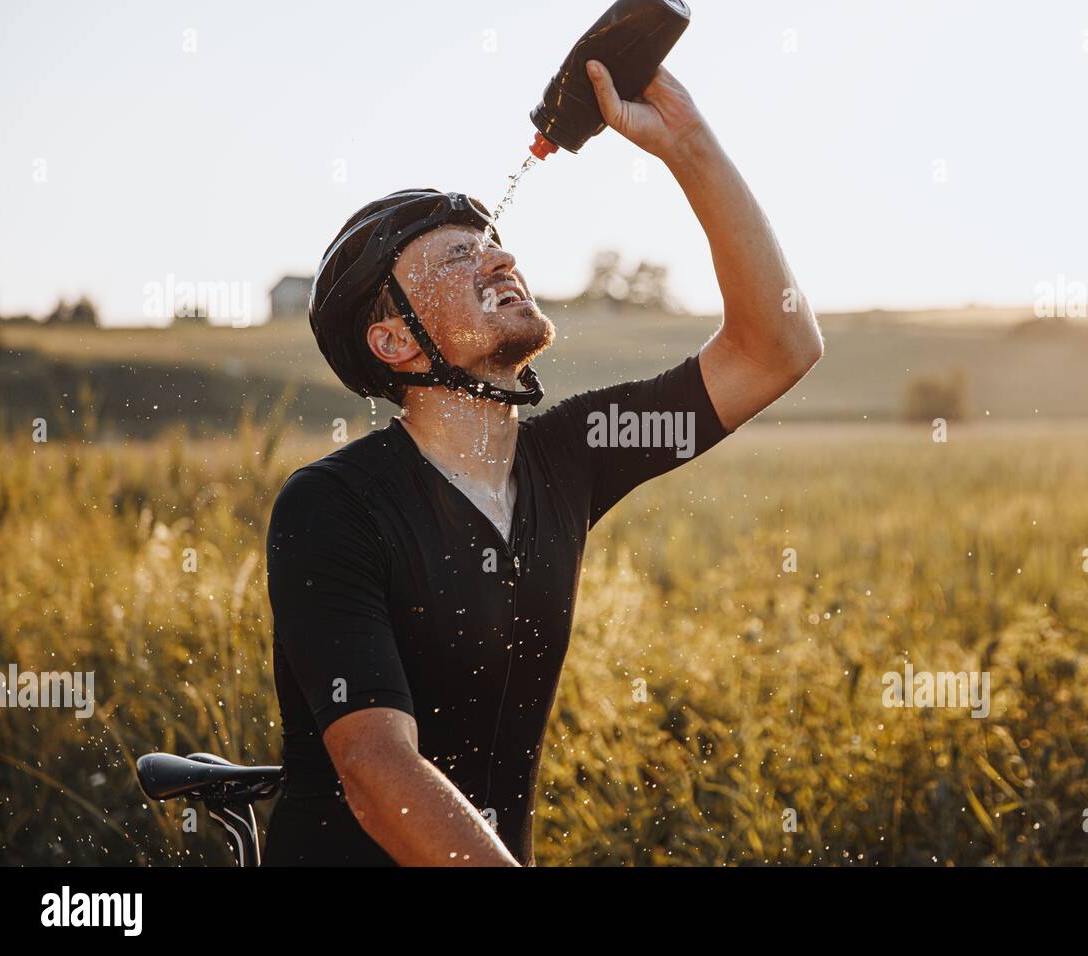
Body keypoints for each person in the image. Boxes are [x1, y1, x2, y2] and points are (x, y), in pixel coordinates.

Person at [262, 60, 822, 866]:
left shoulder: (574, 456)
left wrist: (689, 145)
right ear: (394, 342)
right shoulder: (334, 505)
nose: (498, 261)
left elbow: (778, 346)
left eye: (494, 247)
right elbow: (377, 773)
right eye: (457, 259)